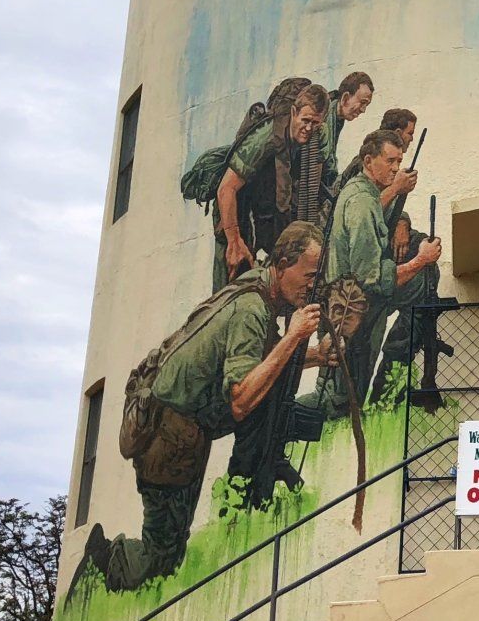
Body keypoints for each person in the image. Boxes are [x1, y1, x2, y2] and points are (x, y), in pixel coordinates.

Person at [80, 222, 326, 592]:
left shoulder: (256, 286)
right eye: (308, 275)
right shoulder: (252, 310)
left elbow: (259, 361)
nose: (312, 285)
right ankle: (103, 559)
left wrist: (313, 356)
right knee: (161, 562)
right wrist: (293, 336)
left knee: (167, 553)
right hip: (169, 435)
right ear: (283, 263)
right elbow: (241, 398)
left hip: (176, 425)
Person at [327, 129, 441, 407]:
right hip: (352, 308)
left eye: (399, 161)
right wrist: (419, 260)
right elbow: (371, 279)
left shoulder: (367, 191)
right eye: (390, 161)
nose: (396, 168)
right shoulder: (362, 202)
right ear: (368, 161)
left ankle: (391, 377)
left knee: (424, 282)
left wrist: (402, 220)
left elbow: (386, 216)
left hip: (360, 303)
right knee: (342, 398)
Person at [213, 83, 328, 289]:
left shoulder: (305, 140)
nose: (309, 128)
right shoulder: (265, 139)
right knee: (231, 286)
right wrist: (233, 240)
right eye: (306, 120)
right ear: (294, 112)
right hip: (234, 215)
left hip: (265, 211)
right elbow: (226, 189)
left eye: (316, 124)